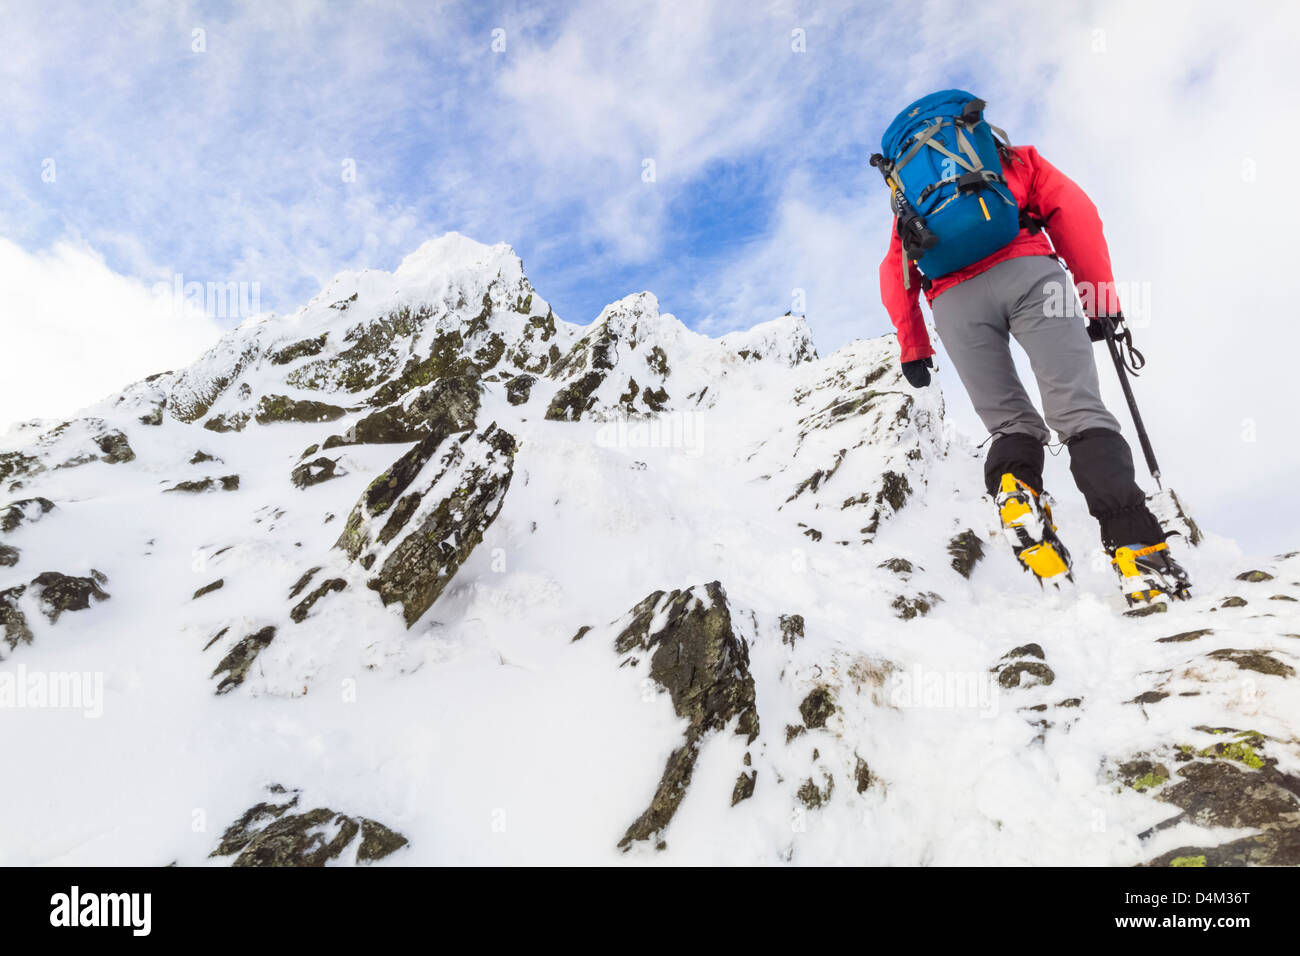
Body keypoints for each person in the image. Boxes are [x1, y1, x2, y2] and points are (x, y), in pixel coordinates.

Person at [878, 134, 1191, 604]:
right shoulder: (1014, 161)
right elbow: (1077, 215)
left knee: (1009, 424)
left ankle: (1016, 489)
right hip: (1030, 277)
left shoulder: (912, 195)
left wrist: (914, 346)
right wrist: (1100, 301)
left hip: (953, 302)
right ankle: (1139, 554)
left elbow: (895, 267)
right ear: (977, 131)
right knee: (1080, 413)